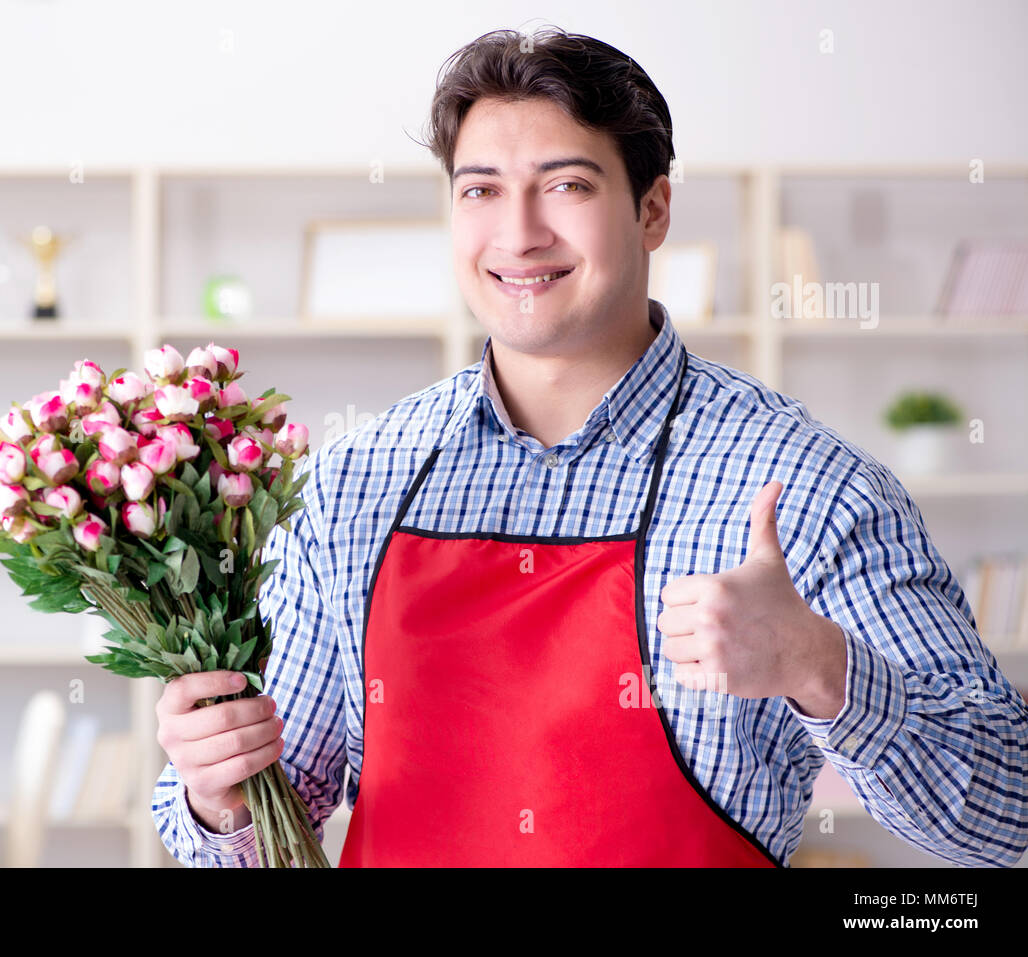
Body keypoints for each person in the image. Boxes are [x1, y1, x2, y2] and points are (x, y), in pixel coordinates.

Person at [152, 26, 1028, 867]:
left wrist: (821, 666)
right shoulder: (351, 484)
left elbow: (1011, 810)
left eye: (566, 185)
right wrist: (217, 793)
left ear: (653, 209)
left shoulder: (804, 486)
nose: (519, 232)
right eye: (481, 189)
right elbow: (269, 827)